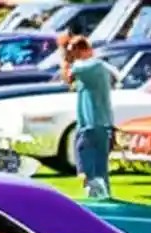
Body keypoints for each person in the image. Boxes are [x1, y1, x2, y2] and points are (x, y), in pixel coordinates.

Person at [62, 35, 117, 198]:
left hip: (93, 123)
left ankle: (97, 193)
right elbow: (69, 80)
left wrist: (64, 54)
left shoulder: (94, 65)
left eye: (76, 51)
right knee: (98, 166)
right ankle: (102, 196)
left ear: (85, 50)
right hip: (96, 123)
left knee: (85, 161)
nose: (74, 56)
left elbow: (69, 72)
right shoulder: (90, 67)